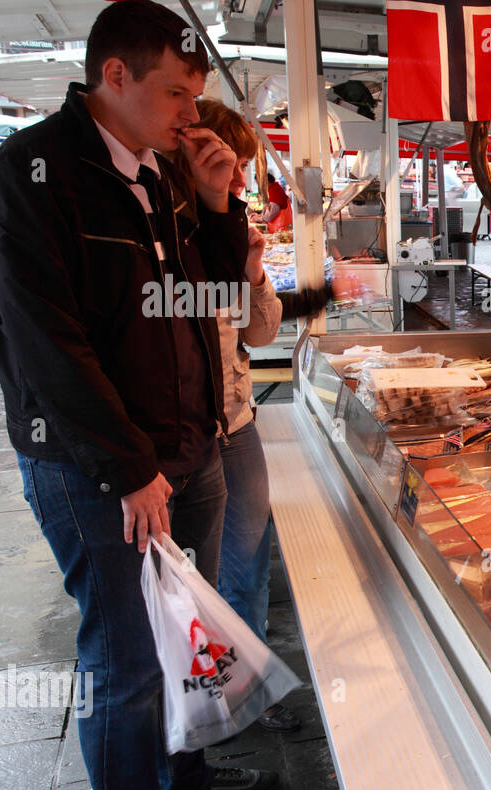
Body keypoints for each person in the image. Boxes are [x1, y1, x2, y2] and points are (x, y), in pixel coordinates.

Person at [0, 0, 278, 790]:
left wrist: (220, 202)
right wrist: (127, 469)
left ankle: (181, 781)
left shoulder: (159, 175)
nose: (192, 114)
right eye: (177, 93)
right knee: (124, 656)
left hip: (191, 449)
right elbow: (48, 345)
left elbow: (213, 302)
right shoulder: (31, 172)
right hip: (98, 469)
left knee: (187, 635)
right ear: (113, 76)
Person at [180, 100, 301, 733]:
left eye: (242, 170)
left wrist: (252, 270)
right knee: (190, 578)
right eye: (232, 169)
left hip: (237, 422)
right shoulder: (173, 230)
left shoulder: (234, 225)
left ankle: (248, 691)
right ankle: (206, 704)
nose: (243, 182)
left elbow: (257, 333)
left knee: (248, 563)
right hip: (184, 436)